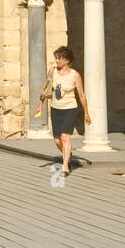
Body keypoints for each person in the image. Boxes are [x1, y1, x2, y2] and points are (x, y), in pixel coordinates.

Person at [35, 46, 91, 176]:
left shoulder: (74, 75)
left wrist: (86, 113)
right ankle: (67, 154)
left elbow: (81, 94)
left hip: (70, 108)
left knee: (65, 137)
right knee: (57, 140)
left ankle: (65, 165)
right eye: (56, 57)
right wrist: (40, 105)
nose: (56, 60)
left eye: (59, 58)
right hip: (55, 108)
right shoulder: (52, 72)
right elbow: (46, 89)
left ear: (66, 60)